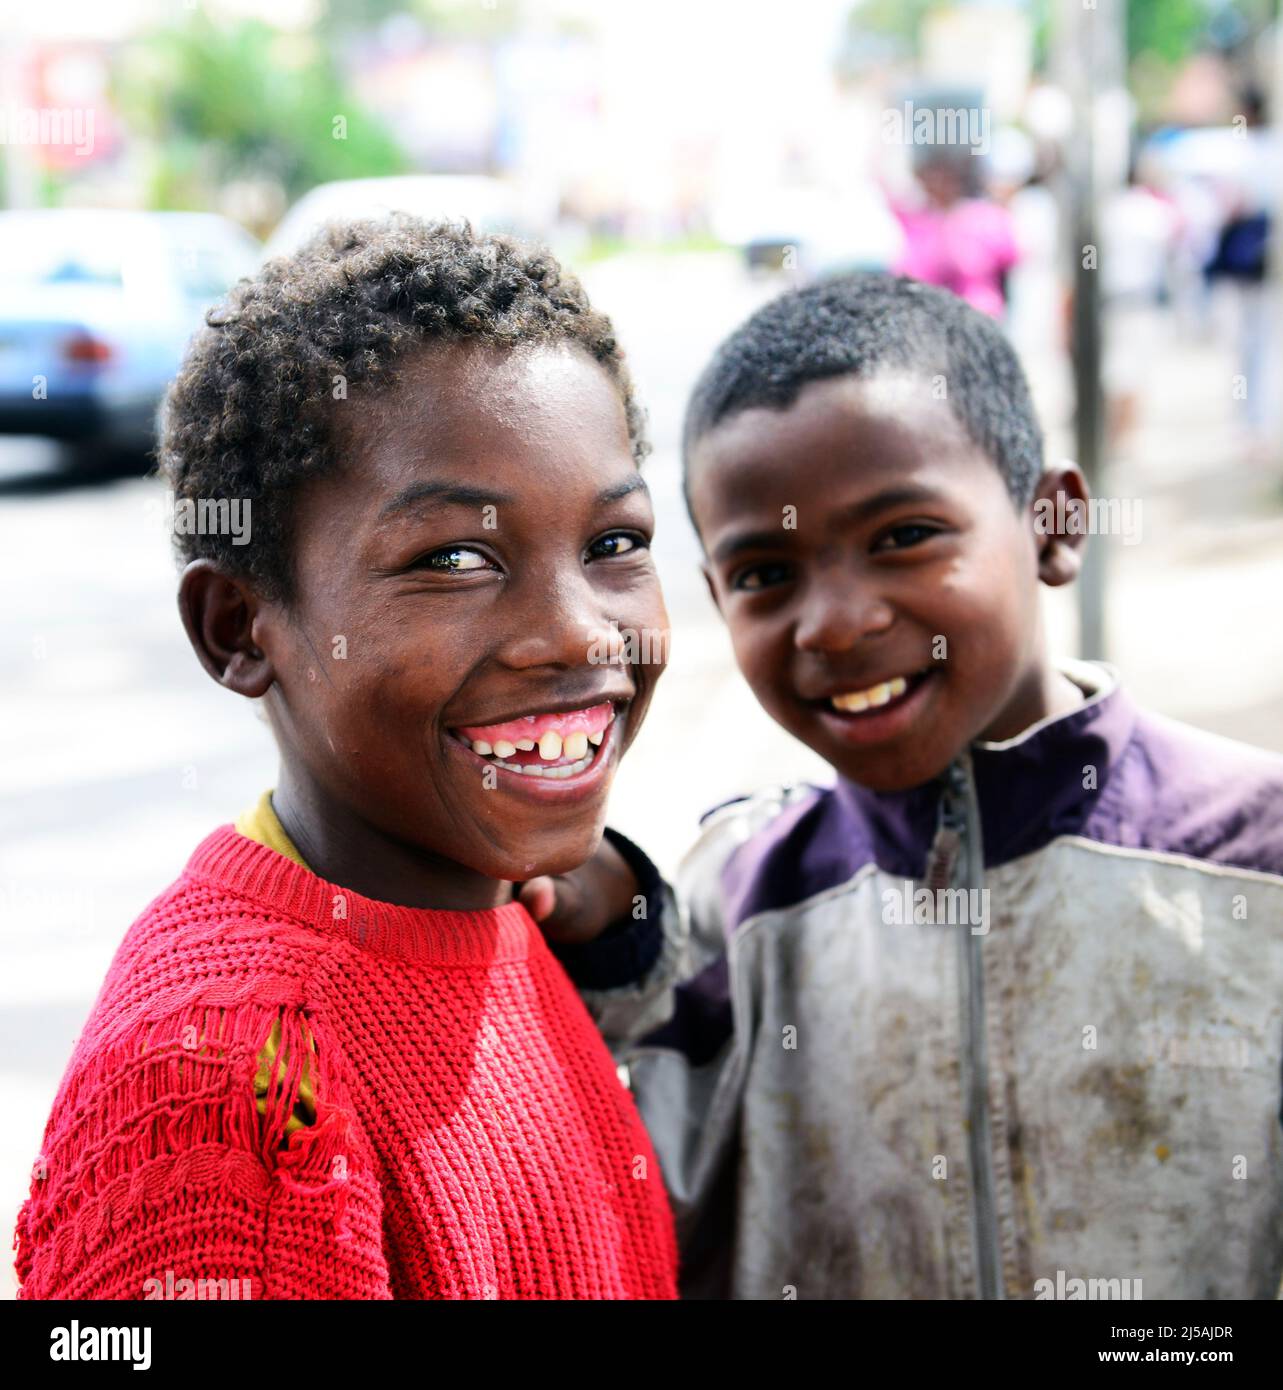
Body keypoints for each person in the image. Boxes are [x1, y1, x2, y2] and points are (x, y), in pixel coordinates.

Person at [532, 273, 1283, 1299]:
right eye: (763, 574)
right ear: (716, 595)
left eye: (902, 537)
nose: (832, 622)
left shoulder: (1254, 856)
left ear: (1051, 523)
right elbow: (622, 1205)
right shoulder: (738, 905)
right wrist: (609, 931)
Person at [13, 217, 678, 1301]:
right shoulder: (231, 1082)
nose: (578, 634)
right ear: (239, 627)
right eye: (454, 558)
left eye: (613, 545)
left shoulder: (491, 895)